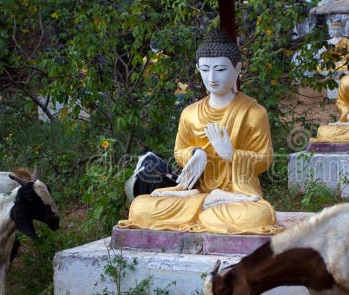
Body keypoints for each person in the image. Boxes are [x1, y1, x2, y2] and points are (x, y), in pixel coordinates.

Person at [118, 30, 280, 234]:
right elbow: (179, 152)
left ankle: (207, 205)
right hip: (196, 192)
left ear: (237, 68)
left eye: (220, 69)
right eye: (205, 69)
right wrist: (195, 154)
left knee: (257, 216)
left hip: (238, 195)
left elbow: (265, 158)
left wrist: (232, 155)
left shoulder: (254, 113)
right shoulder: (190, 113)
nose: (212, 78)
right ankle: (207, 202)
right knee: (140, 207)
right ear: (198, 69)